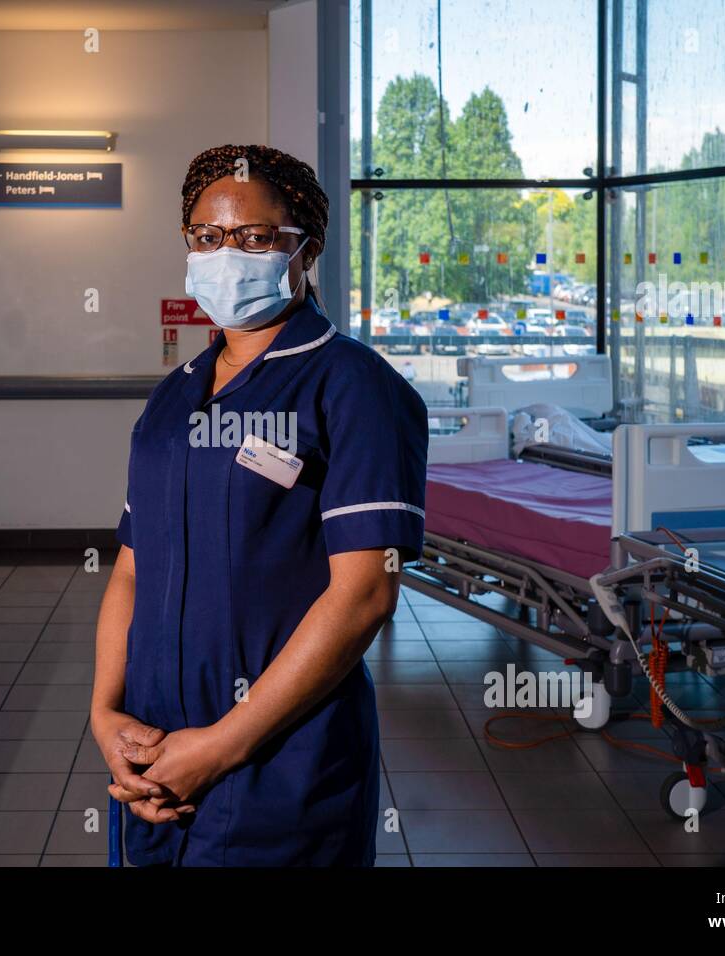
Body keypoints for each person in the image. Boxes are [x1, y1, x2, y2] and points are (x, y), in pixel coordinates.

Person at [90, 144, 428, 866]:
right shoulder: (173, 396)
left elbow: (365, 594)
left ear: (306, 247)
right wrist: (105, 714)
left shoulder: (353, 388)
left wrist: (219, 747)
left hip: (280, 765)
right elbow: (130, 569)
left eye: (255, 237)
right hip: (150, 755)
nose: (227, 253)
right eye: (207, 238)